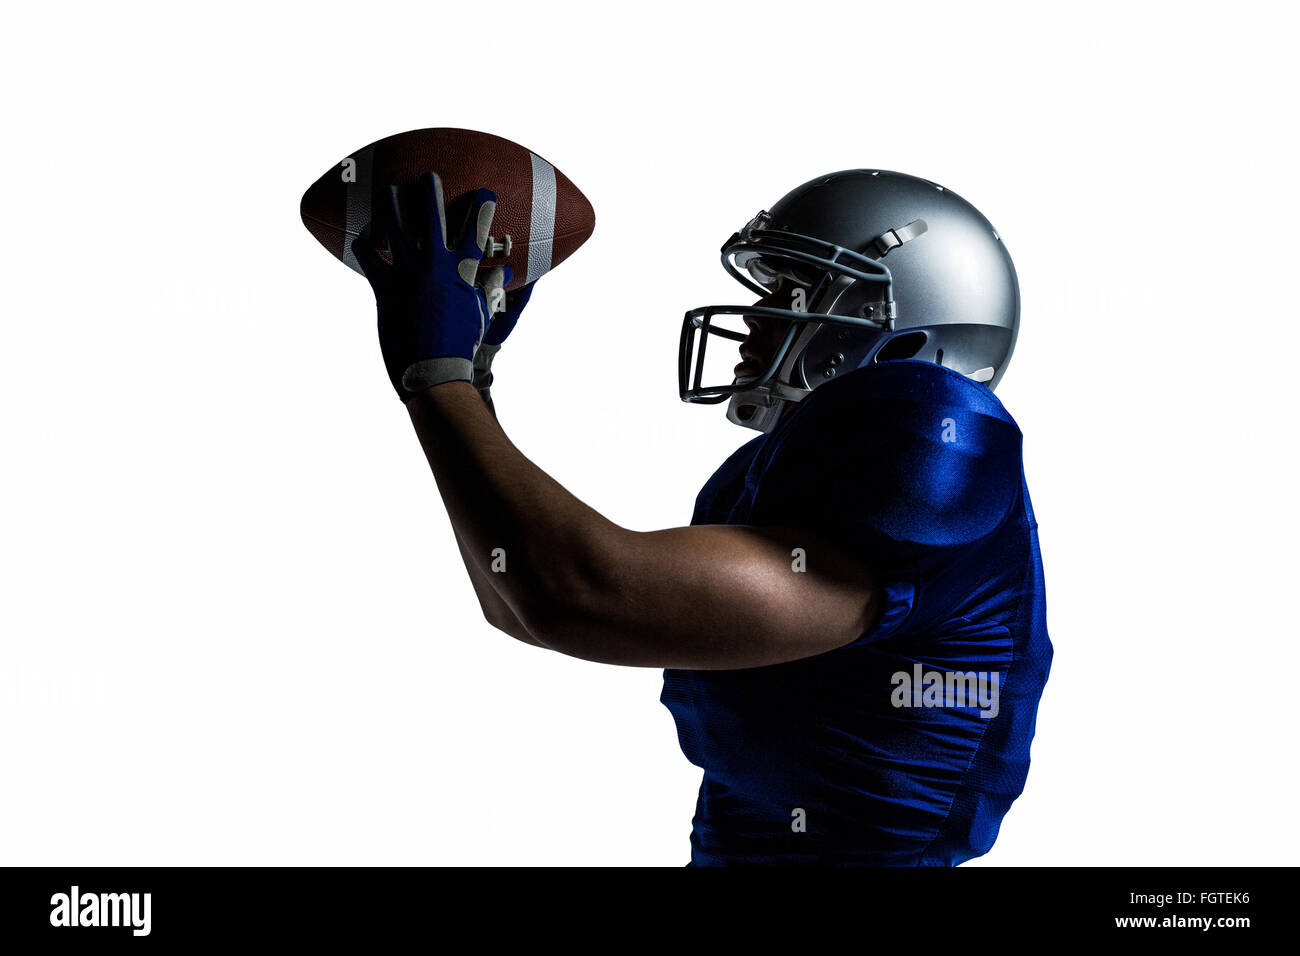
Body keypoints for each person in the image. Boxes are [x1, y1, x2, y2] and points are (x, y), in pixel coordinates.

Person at [352, 168, 1052, 866]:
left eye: (791, 292)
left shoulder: (944, 434)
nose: (754, 317)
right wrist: (471, 386)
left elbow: (574, 594)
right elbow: (515, 601)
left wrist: (438, 380)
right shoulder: (762, 476)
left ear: (904, 333)